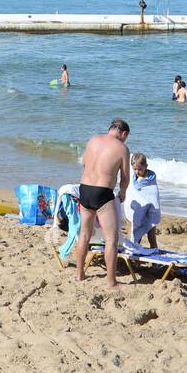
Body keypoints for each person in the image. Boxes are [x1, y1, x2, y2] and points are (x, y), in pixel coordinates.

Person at [74, 118, 131, 289]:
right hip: (102, 193)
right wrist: (122, 192)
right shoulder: (122, 148)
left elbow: (84, 162)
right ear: (124, 133)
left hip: (84, 189)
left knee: (84, 234)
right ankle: (111, 282)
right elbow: (126, 177)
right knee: (111, 239)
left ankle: (80, 275)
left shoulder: (93, 140)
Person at [124, 152, 161, 248]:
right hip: (138, 211)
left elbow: (153, 196)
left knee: (151, 236)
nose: (137, 172)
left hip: (150, 212)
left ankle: (154, 254)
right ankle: (135, 255)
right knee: (137, 235)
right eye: (134, 169)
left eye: (140, 169)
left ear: (146, 166)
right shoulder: (133, 179)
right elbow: (131, 194)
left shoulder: (150, 179)